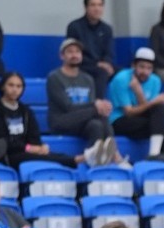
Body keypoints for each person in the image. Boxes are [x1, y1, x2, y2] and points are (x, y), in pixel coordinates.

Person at [46, 38, 121, 166]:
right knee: (98, 112)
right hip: (61, 120)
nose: (74, 55)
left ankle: (95, 161)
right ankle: (115, 154)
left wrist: (98, 107)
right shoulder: (54, 77)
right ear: (61, 56)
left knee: (96, 124)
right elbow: (67, 107)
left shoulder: (88, 79)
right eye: (70, 52)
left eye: (77, 52)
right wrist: (96, 105)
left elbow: (91, 107)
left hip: (83, 120)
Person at [0, 73, 74, 169]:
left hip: (25, 152)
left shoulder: (25, 110)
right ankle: (76, 160)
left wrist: (40, 147)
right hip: (5, 156)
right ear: (2, 87)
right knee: (43, 158)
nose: (15, 89)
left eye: (19, 86)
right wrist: (28, 148)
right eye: (11, 85)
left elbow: (34, 137)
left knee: (52, 155)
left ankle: (75, 160)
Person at [109, 48, 164, 158]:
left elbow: (148, 110)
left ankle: (154, 154)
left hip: (141, 119)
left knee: (159, 110)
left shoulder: (155, 80)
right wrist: (153, 102)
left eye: (149, 68)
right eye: (142, 67)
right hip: (118, 120)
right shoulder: (121, 79)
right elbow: (128, 112)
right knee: (161, 125)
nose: (145, 72)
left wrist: (139, 93)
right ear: (133, 66)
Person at [66, 0, 116, 89]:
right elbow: (72, 53)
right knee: (101, 72)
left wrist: (106, 63)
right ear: (86, 7)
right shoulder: (74, 26)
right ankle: (97, 103)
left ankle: (126, 104)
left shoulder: (107, 29)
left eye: (100, 5)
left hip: (102, 65)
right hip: (82, 65)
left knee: (125, 74)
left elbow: (109, 52)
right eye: (93, 5)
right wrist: (97, 64)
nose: (97, 8)